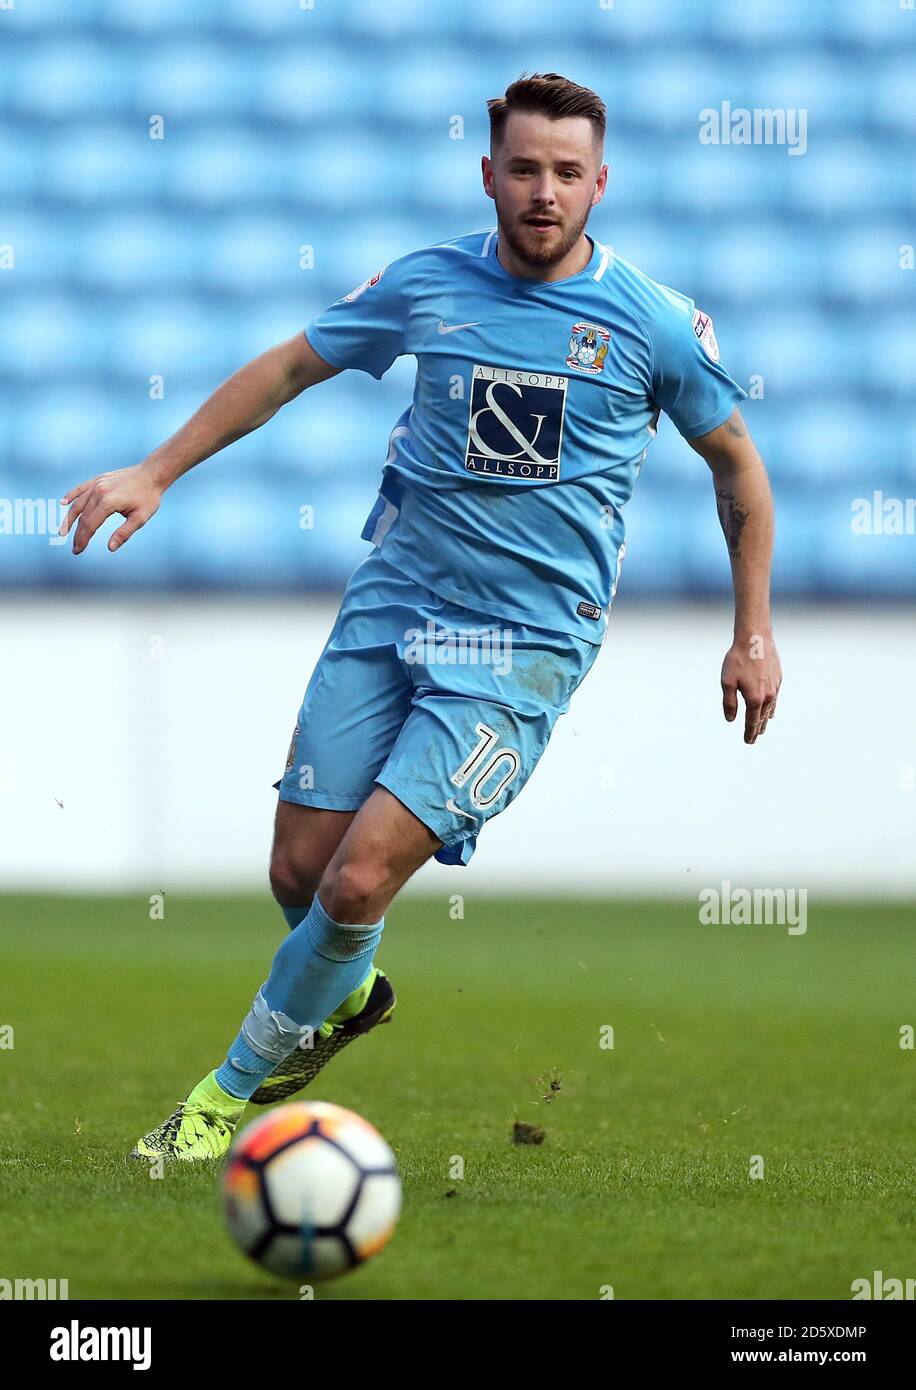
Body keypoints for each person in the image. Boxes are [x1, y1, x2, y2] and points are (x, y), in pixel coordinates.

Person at [60, 73, 782, 1161]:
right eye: (526, 169)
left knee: (358, 878)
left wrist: (752, 630)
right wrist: (158, 470)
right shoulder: (426, 284)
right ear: (488, 173)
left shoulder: (651, 324)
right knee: (299, 878)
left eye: (568, 173)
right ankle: (341, 1002)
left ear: (601, 182)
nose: (546, 192)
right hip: (393, 605)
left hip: (522, 648)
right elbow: (293, 365)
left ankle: (219, 1100)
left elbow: (738, 468)